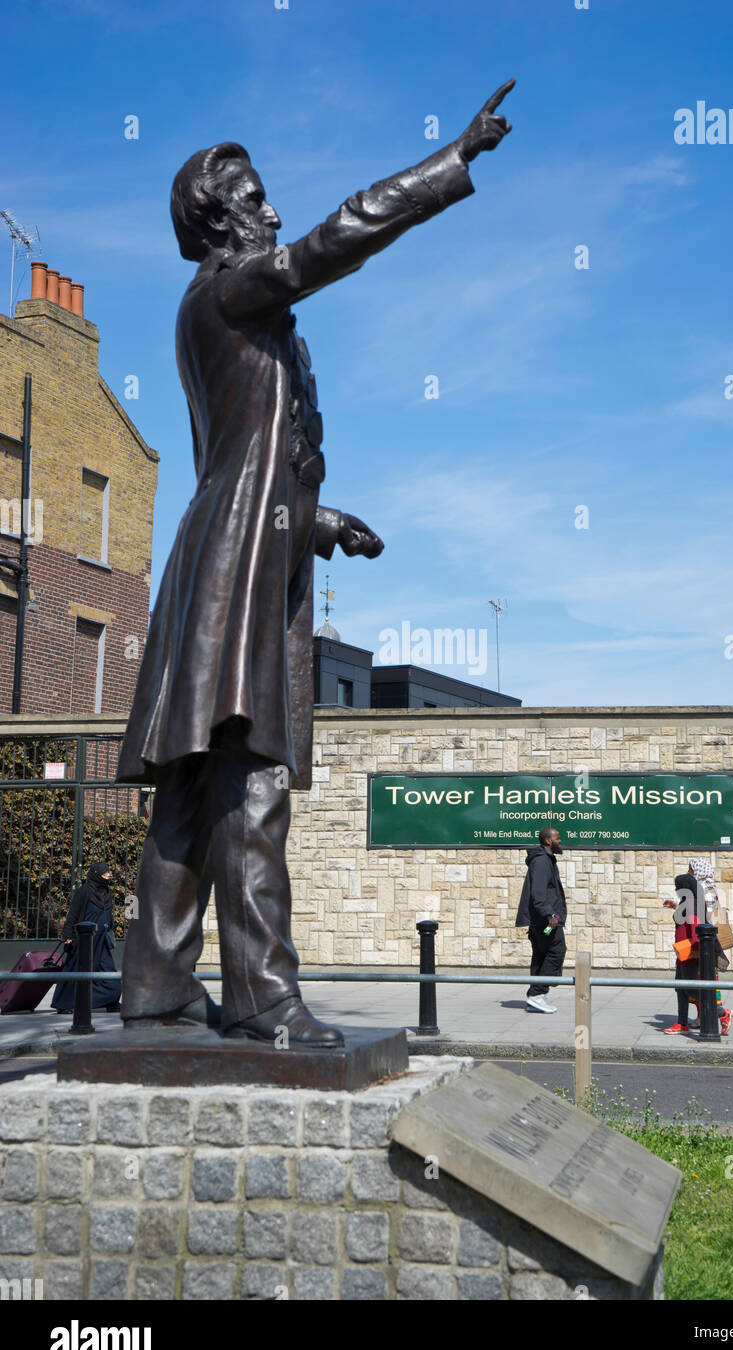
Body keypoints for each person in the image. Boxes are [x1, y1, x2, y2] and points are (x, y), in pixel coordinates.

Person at [113, 82, 515, 1045]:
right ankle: (260, 996)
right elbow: (340, 236)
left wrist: (321, 519)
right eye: (253, 199)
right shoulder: (231, 286)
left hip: (227, 554)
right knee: (250, 781)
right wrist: (448, 164)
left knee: (190, 782)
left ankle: (157, 985)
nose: (272, 211)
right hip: (233, 566)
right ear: (218, 219)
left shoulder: (220, 310)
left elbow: (243, 459)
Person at [662, 869, 731, 1035]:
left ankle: (723, 1013)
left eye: (678, 887)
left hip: (690, 955)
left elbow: (694, 928)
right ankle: (682, 1023)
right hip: (684, 955)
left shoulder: (692, 905)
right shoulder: (691, 902)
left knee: (692, 990)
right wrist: (675, 907)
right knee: (680, 989)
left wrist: (693, 950)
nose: (677, 890)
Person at [52, 861, 122, 1014]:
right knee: (75, 971)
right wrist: (68, 935)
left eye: (108, 872)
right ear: (97, 875)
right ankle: (63, 1004)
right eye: (105, 873)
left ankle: (110, 1001)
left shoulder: (107, 893)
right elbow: (73, 915)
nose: (108, 875)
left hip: (102, 940)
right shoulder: (84, 892)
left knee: (109, 973)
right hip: (83, 940)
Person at [516, 827, 567, 1014]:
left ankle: (535, 997)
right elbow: (538, 894)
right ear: (548, 841)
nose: (560, 841)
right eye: (558, 838)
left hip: (544, 920)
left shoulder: (544, 860)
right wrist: (551, 915)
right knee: (557, 950)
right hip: (546, 921)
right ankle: (537, 993)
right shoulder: (542, 861)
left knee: (541, 954)